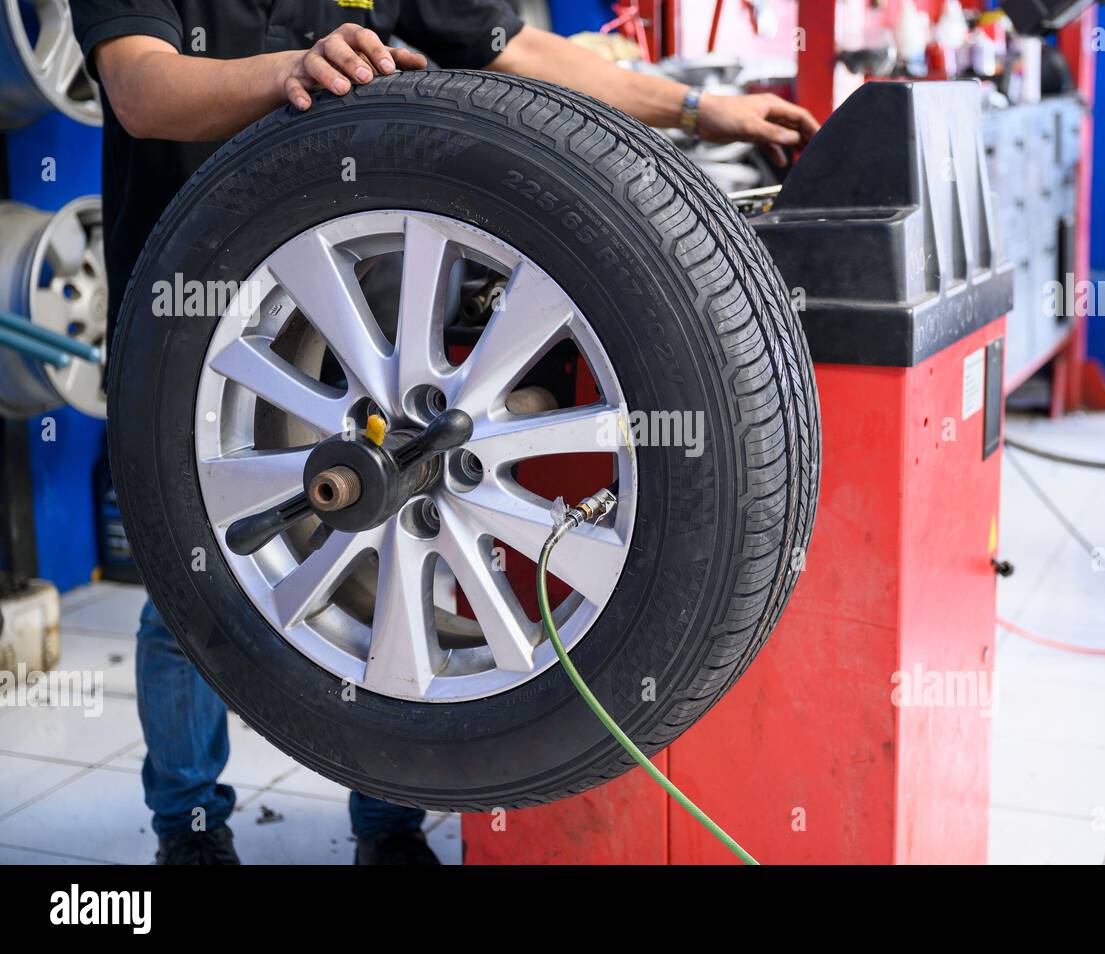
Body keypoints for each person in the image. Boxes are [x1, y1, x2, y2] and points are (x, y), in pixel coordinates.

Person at [69, 0, 819, 865]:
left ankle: (388, 830)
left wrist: (697, 110)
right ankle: (190, 828)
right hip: (200, 342)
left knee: (402, 583)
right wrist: (287, 71)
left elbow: (516, 47)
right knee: (189, 595)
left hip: (378, 337)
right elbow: (141, 87)